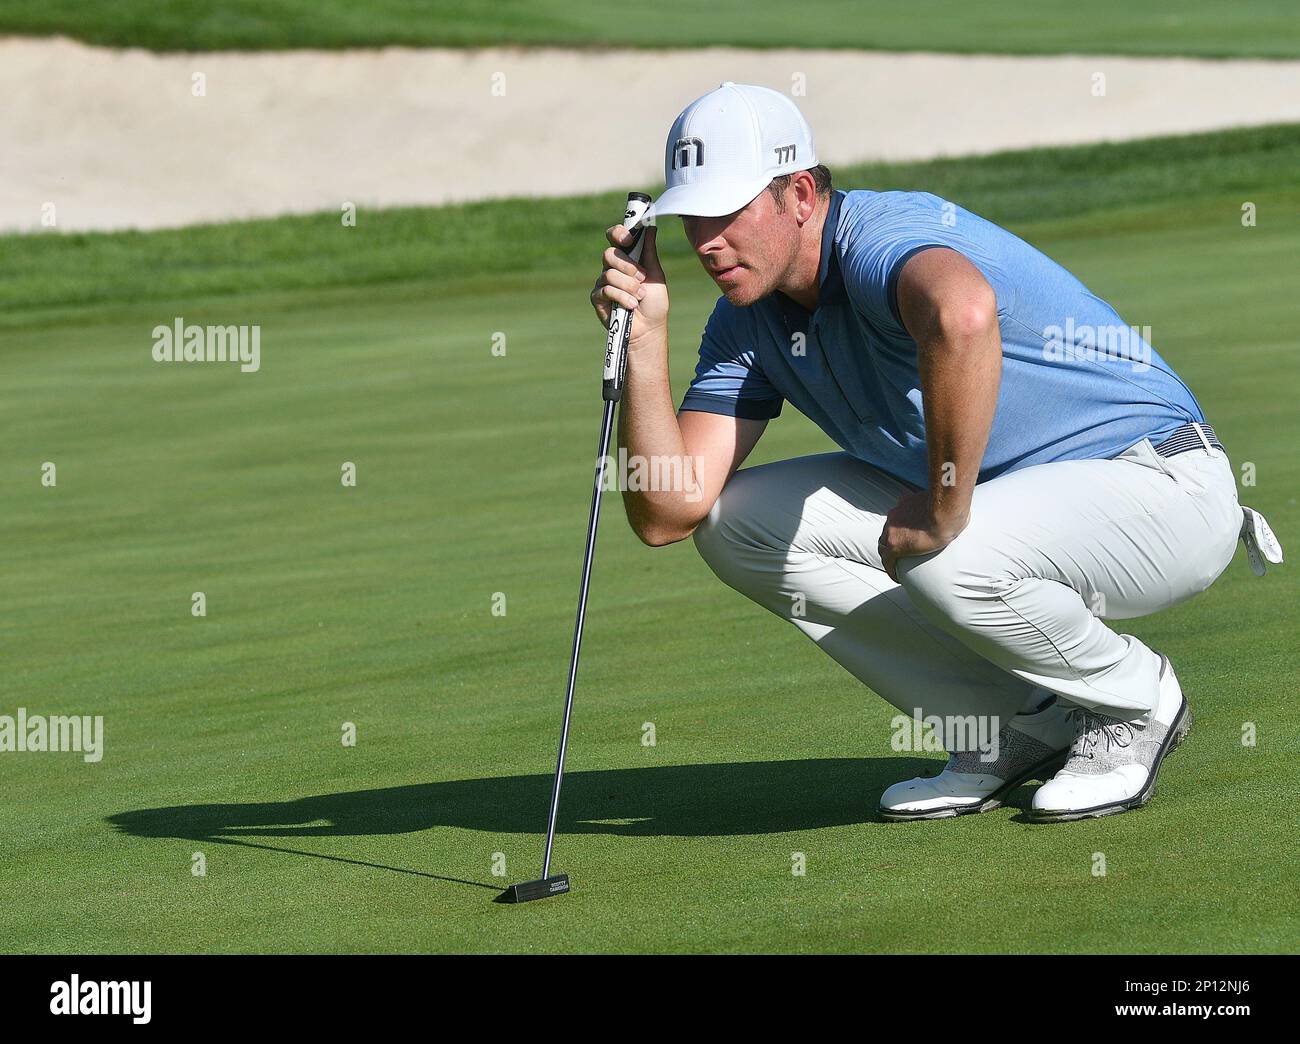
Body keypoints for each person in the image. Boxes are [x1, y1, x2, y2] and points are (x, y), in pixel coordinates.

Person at [589, 82, 1282, 822]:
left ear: (798, 194)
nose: (705, 240)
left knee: (944, 548)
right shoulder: (746, 322)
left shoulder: (881, 237)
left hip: (1161, 485)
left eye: (726, 212)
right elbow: (668, 510)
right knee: (736, 523)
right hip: (1021, 518)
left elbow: (963, 313)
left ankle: (1135, 700)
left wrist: (945, 503)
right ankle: (1012, 723)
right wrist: (646, 338)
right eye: (692, 216)